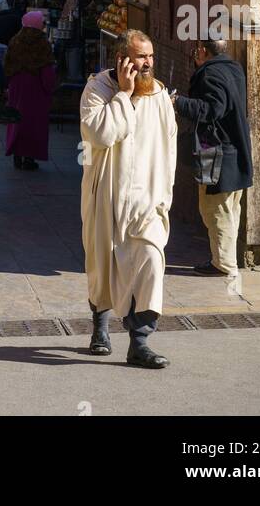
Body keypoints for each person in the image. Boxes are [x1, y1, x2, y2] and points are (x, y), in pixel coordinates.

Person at [80, 29, 177, 369]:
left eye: (149, 56)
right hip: (107, 197)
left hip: (147, 203)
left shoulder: (160, 95)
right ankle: (100, 327)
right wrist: (124, 95)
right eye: (140, 56)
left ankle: (140, 341)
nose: (147, 62)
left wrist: (165, 194)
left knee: (151, 262)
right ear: (121, 59)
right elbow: (101, 135)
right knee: (102, 267)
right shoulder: (97, 90)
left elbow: (169, 145)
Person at [173, 37, 253, 280]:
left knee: (216, 210)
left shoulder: (211, 74)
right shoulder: (233, 69)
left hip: (218, 154)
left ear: (203, 51)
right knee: (229, 209)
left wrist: (178, 103)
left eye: (196, 49)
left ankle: (224, 264)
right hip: (233, 151)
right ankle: (225, 260)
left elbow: (212, 110)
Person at [3, 10, 56, 170]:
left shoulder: (15, 40)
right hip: (35, 87)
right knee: (34, 122)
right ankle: (29, 158)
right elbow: (47, 68)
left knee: (16, 119)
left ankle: (16, 153)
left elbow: (7, 62)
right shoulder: (41, 42)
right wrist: (50, 86)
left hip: (17, 86)